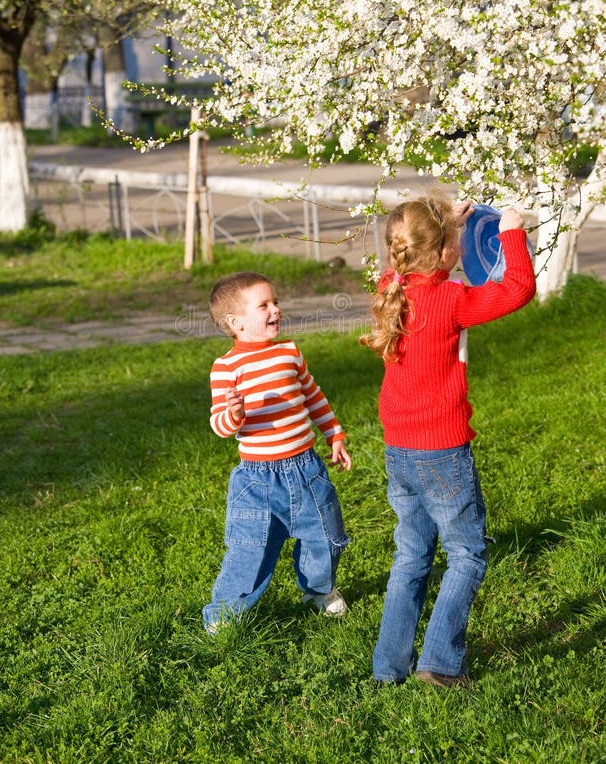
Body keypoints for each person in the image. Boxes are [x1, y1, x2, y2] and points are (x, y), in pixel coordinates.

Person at [360, 193, 536, 687]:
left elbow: (412, 265)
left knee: (412, 555)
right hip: (442, 450)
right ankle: (439, 663)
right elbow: (518, 288)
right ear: (444, 254)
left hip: (399, 448)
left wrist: (446, 225)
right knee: (466, 554)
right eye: (455, 239)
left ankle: (388, 666)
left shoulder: (389, 289)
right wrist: (512, 232)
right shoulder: (450, 301)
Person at [203, 271, 352, 632]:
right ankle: (224, 615)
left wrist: (333, 432)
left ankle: (317, 591)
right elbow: (219, 425)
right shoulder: (226, 368)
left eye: (276, 301)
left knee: (326, 536)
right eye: (264, 304)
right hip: (258, 480)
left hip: (306, 469)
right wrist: (234, 415)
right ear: (235, 322)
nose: (275, 309)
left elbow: (312, 395)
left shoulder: (289, 351)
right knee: (249, 550)